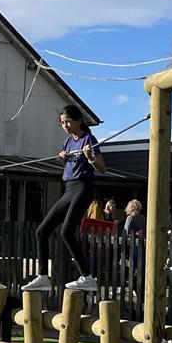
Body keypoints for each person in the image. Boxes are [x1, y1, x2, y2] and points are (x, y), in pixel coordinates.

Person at [22, 105, 105, 293]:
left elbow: (102, 168)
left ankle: (87, 277)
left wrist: (90, 157)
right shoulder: (68, 142)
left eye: (68, 121)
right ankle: (43, 277)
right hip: (69, 188)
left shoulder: (89, 139)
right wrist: (63, 159)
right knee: (41, 231)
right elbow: (69, 166)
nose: (65, 125)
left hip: (83, 187)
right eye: (62, 123)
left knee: (67, 232)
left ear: (79, 121)